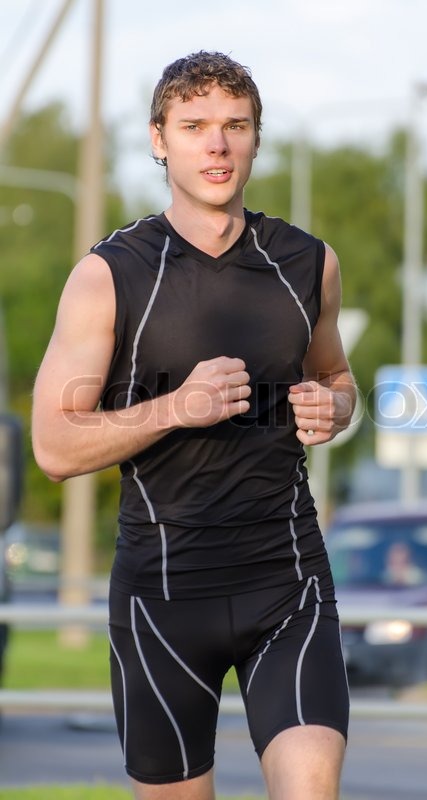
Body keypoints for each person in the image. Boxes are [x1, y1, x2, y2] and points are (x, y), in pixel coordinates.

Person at [32, 51, 356, 800]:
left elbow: (337, 379)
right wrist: (177, 406)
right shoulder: (111, 275)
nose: (217, 145)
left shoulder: (309, 263)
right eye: (195, 126)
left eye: (235, 126)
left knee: (313, 789)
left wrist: (333, 407)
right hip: (163, 599)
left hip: (289, 582)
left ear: (255, 139)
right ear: (159, 140)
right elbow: (53, 446)